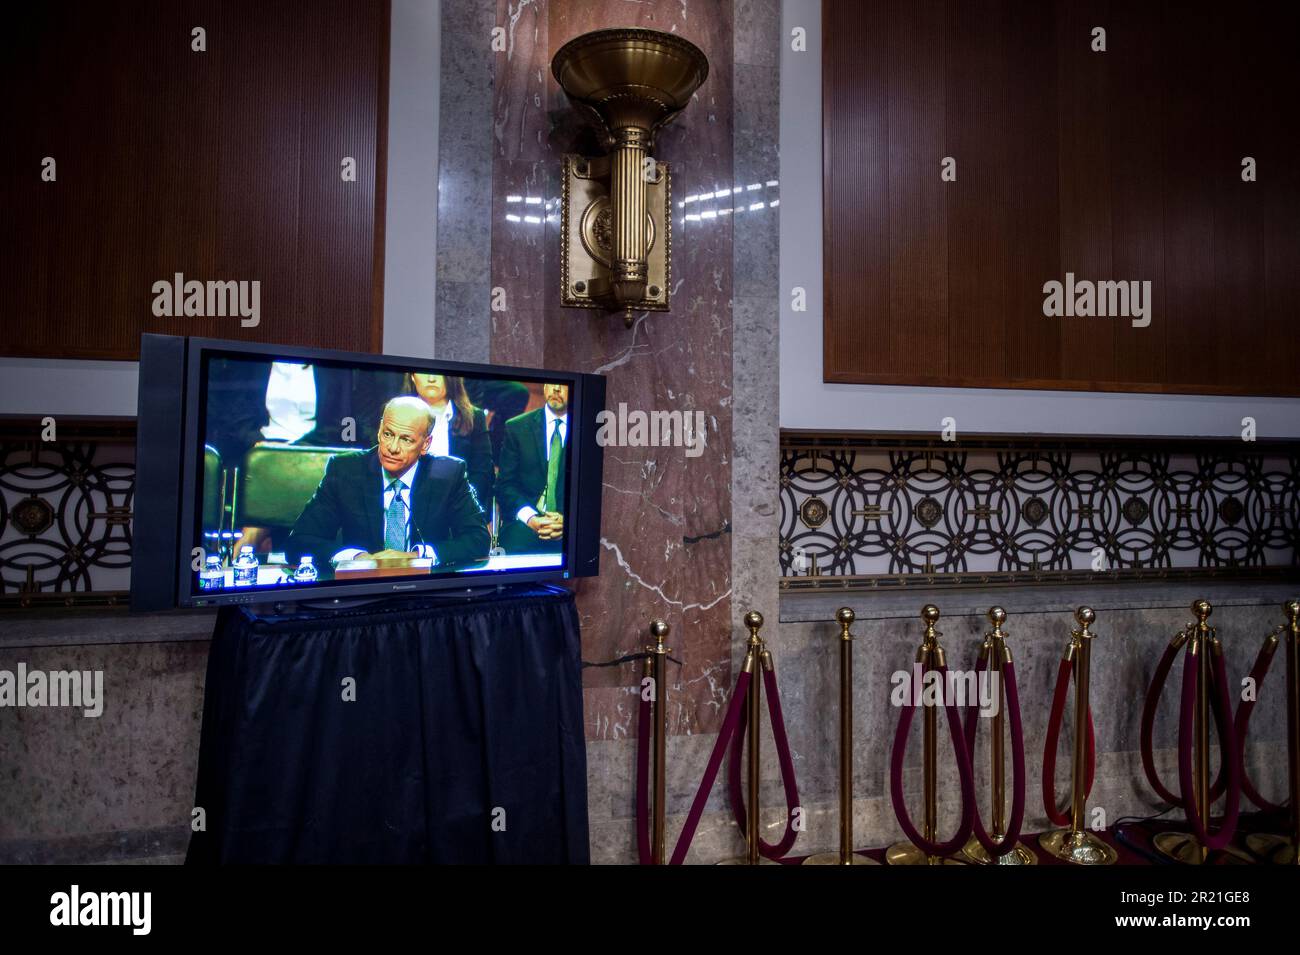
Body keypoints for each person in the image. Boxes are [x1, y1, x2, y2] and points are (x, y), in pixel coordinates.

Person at [285, 397, 490, 568]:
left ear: (425, 444)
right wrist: (358, 559)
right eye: (388, 434)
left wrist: (418, 556)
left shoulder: (449, 473)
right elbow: (299, 542)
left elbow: (478, 539)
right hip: (360, 592)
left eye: (406, 439)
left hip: (424, 593)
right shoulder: (346, 469)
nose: (392, 447)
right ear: (379, 431)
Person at [406, 372, 494, 514]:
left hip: (458, 508)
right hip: (408, 504)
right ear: (412, 376)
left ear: (451, 377)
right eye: (423, 372)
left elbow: (481, 473)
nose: (431, 379)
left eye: (438, 373)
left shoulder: (474, 418)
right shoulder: (396, 414)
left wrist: (463, 506)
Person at [496, 383, 569, 555]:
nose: (556, 389)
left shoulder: (588, 430)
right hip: (525, 522)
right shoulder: (517, 427)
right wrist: (531, 518)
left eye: (563, 385)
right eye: (551, 384)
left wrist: (569, 521)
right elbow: (505, 485)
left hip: (570, 527)